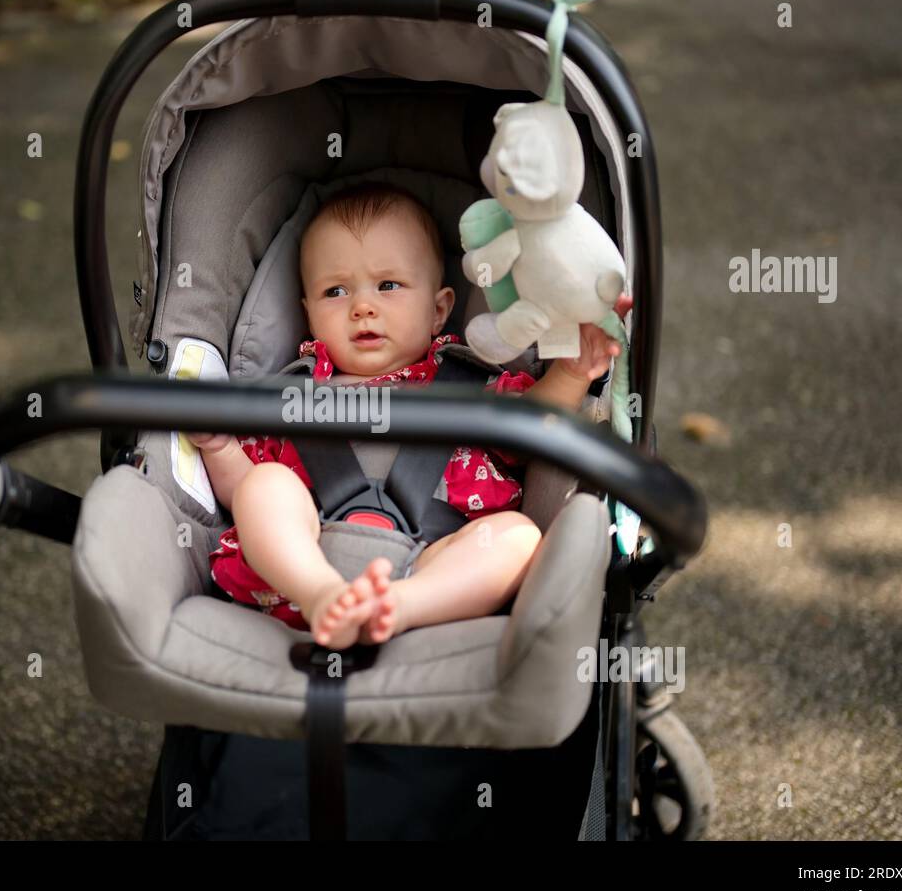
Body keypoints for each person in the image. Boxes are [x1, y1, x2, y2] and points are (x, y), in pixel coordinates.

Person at [190, 183, 629, 650]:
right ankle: (323, 595)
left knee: (518, 538)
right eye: (335, 291)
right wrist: (219, 447)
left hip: (432, 566)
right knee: (265, 485)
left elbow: (533, 430)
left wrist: (572, 373)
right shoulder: (292, 397)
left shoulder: (471, 388)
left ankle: (395, 607)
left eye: (388, 285)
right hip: (301, 566)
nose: (362, 306)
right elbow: (248, 496)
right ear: (309, 316)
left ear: (439, 310)